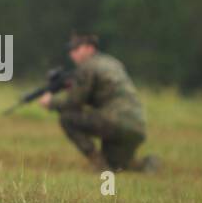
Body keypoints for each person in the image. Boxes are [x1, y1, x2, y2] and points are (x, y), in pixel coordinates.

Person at [38, 33, 156, 172]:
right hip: (137, 127)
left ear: (90, 48)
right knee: (118, 167)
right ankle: (149, 165)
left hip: (115, 122)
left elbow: (74, 102)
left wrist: (51, 102)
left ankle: (99, 165)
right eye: (71, 51)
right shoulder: (112, 62)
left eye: (76, 49)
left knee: (67, 118)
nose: (72, 54)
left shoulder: (88, 67)